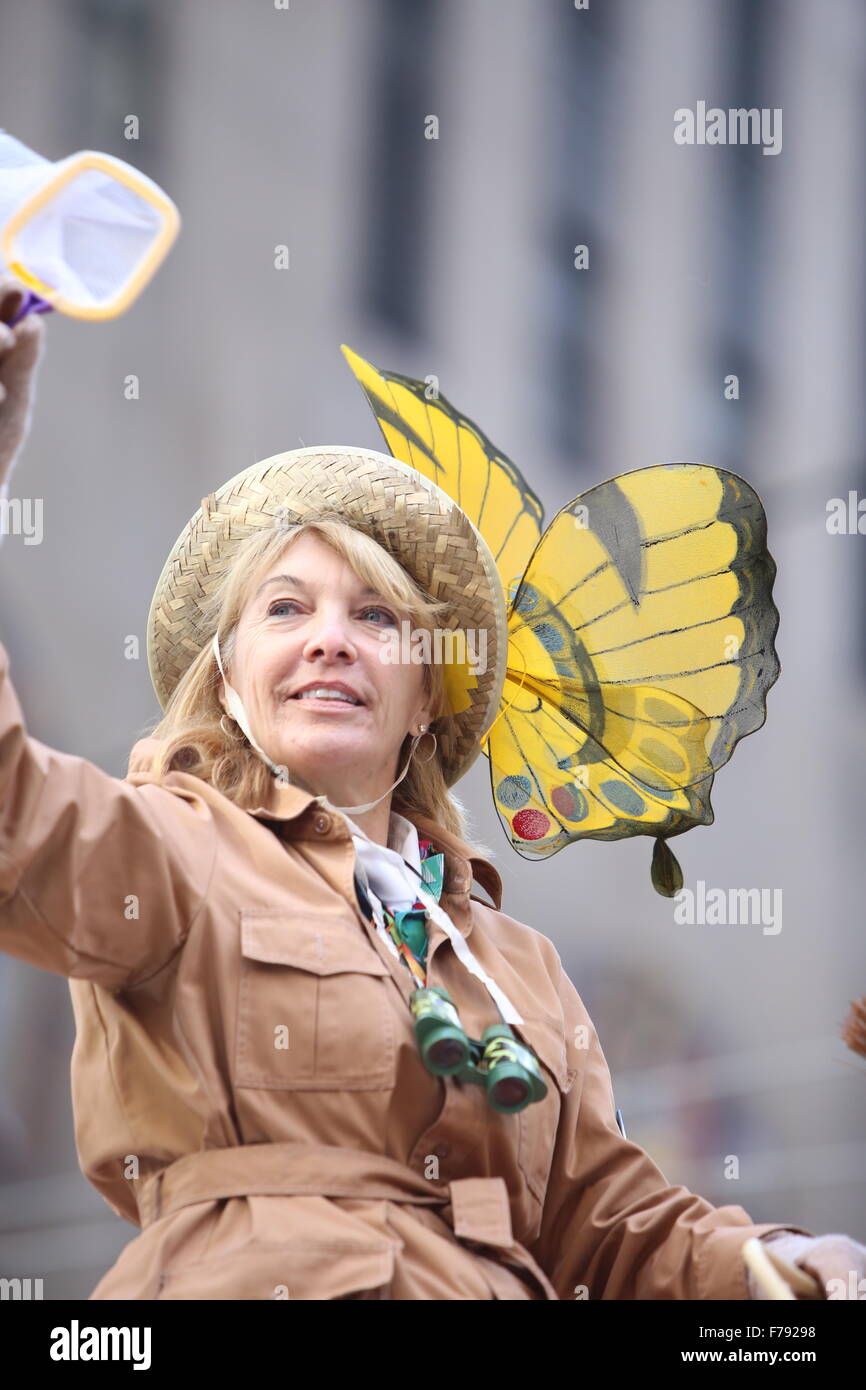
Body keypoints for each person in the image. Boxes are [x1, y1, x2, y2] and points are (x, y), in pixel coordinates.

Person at [0, 275, 863, 1300]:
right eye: (285, 608)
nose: (329, 636)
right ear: (228, 686)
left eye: (375, 617)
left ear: (423, 701)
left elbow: (615, 1227)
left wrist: (783, 1263)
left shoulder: (517, 965)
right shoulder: (172, 847)